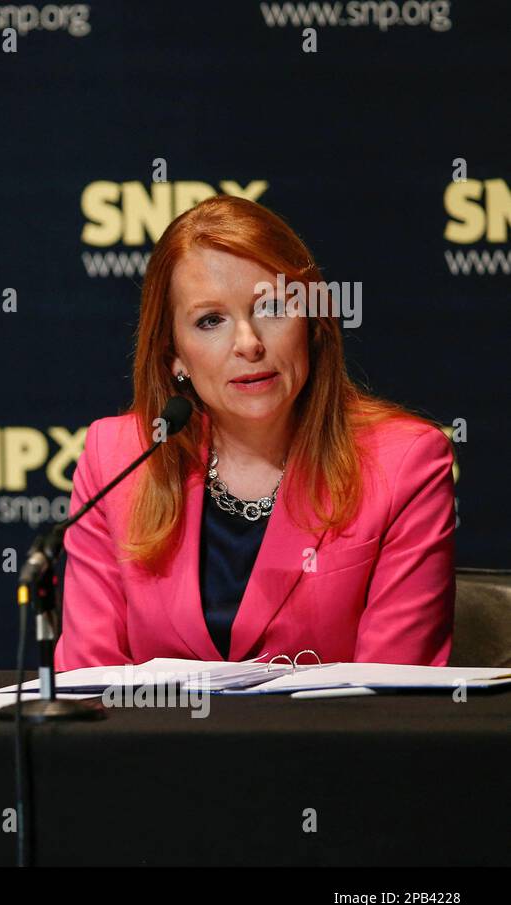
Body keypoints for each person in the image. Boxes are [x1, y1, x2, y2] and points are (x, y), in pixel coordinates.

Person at [55, 196, 455, 669]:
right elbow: (89, 681)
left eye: (271, 308)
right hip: (153, 745)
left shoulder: (405, 463)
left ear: (311, 322)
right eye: (210, 321)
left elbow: (393, 703)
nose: (248, 343)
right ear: (174, 354)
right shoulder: (117, 457)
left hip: (330, 745)